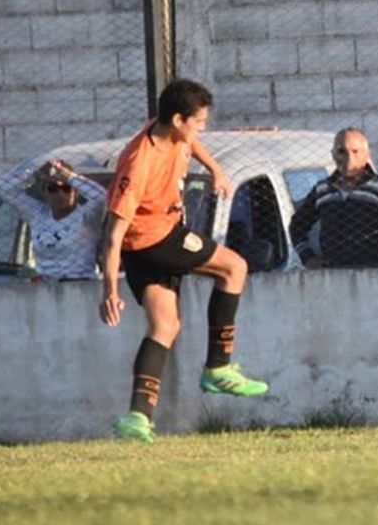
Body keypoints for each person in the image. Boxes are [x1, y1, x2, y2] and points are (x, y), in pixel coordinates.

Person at [99, 79, 268, 443]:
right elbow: (112, 235)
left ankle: (137, 417)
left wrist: (215, 169)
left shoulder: (168, 130)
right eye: (199, 121)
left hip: (144, 246)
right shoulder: (139, 163)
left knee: (165, 326)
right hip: (156, 239)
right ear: (178, 120)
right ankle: (218, 368)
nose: (201, 128)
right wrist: (110, 290)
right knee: (234, 268)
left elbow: (192, 143)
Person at [288, 127, 378, 268]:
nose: (349, 158)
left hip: (371, 273)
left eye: (355, 151)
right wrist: (307, 258)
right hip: (333, 274)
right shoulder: (322, 190)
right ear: (333, 155)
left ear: (366, 155)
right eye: (342, 152)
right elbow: (297, 226)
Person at [0, 158, 105, 280]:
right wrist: (34, 174)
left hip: (79, 283)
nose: (60, 194)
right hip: (45, 284)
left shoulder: (86, 216)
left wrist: (70, 177)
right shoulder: (37, 213)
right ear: (45, 192)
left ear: (76, 192)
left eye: (66, 189)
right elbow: (4, 189)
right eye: (53, 189)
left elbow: (102, 197)